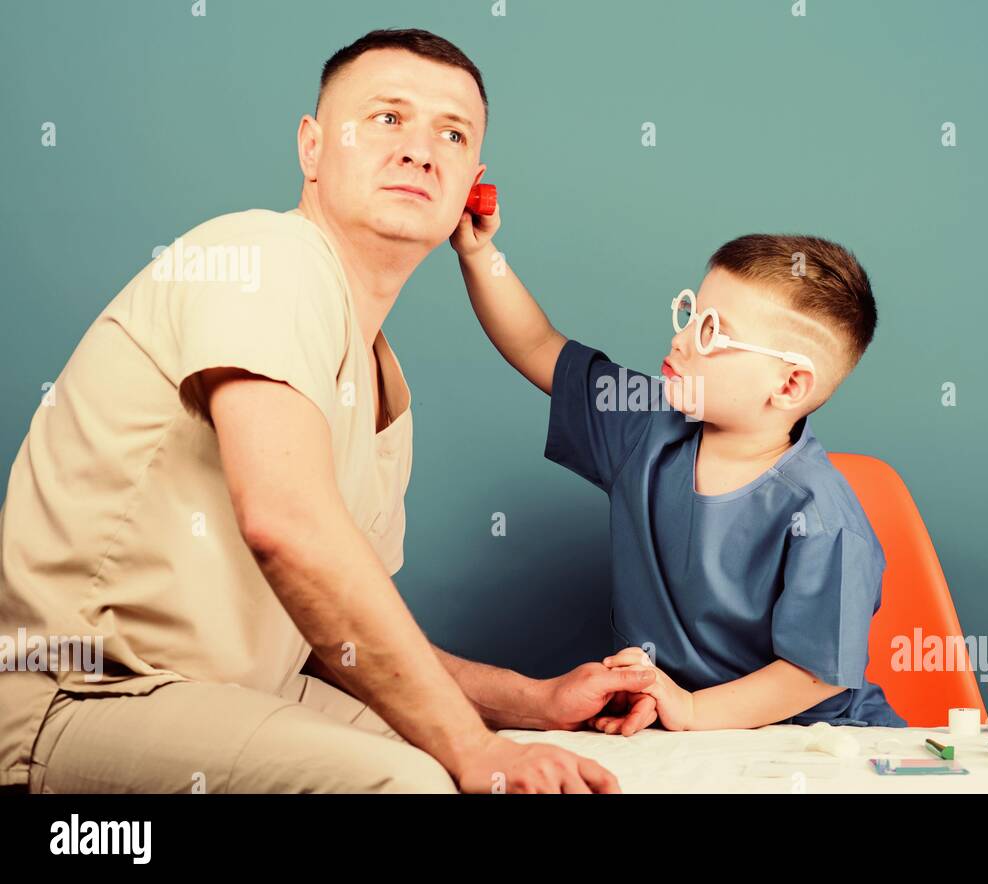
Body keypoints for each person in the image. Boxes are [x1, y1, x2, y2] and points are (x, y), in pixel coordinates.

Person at [0, 28, 654, 795]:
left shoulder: (378, 372)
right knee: (418, 783)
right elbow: (285, 524)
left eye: (451, 133)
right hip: (86, 698)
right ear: (312, 147)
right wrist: (480, 754)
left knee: (489, 756)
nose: (420, 150)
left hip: (239, 695)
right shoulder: (264, 257)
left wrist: (531, 704)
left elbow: (329, 642)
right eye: (387, 119)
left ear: (471, 185)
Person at [452, 201, 908, 735]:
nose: (681, 339)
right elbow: (537, 345)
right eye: (691, 314)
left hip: (812, 742)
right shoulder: (644, 428)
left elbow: (814, 675)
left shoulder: (826, 518)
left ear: (788, 386)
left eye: (712, 332)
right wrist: (481, 253)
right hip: (673, 729)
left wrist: (693, 711)